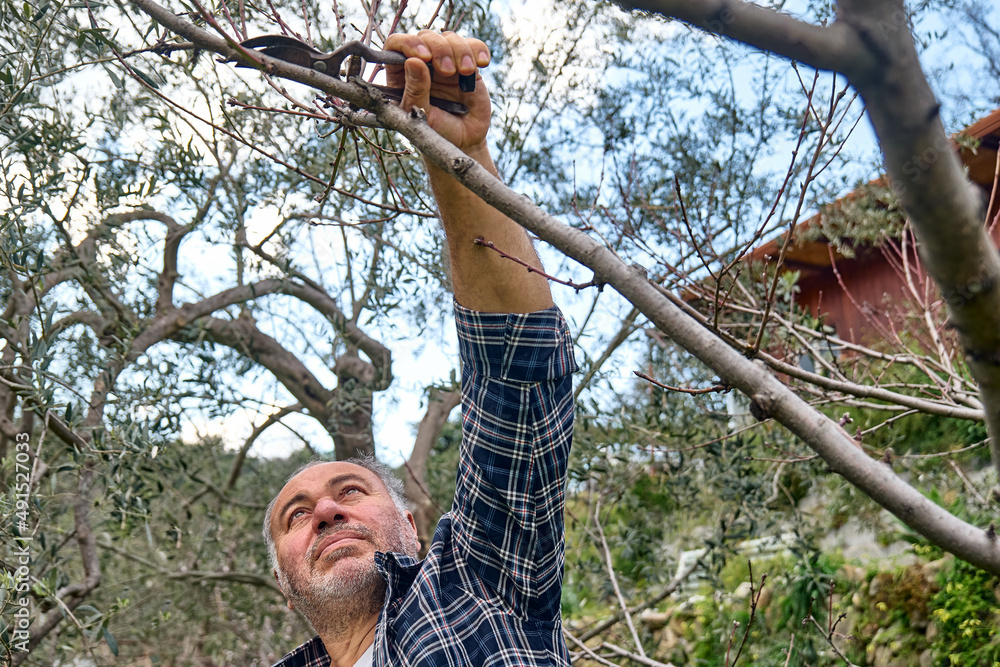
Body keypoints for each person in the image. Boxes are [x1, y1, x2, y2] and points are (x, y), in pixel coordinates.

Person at [263, 29, 577, 667]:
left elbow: (519, 376)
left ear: (411, 530)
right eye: (295, 517)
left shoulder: (475, 592)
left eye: (353, 492)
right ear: (285, 588)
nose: (324, 510)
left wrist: (454, 150)